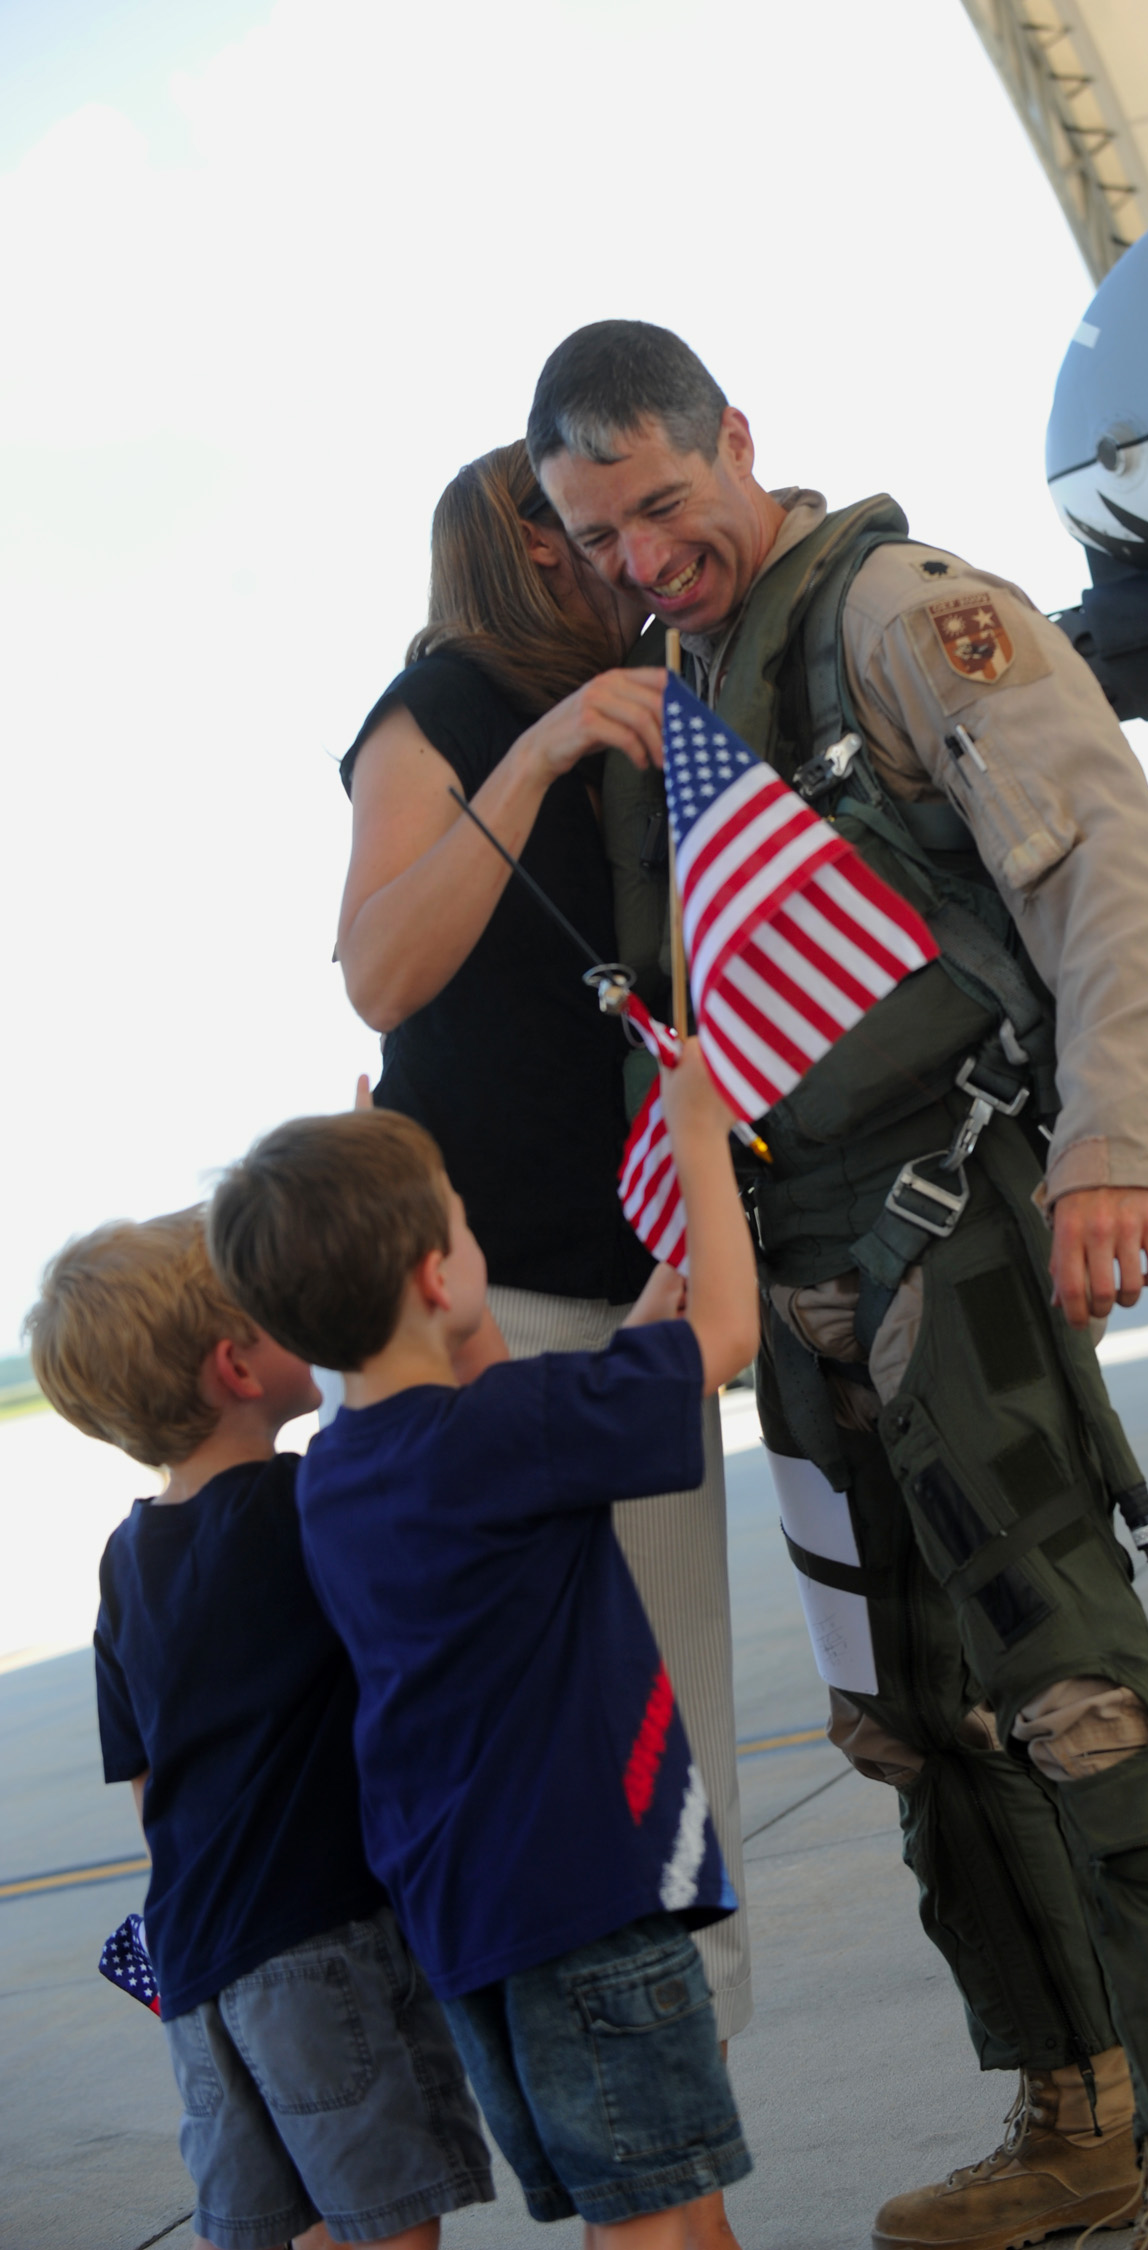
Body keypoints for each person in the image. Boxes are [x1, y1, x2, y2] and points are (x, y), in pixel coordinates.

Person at [528, 321, 1148, 2250]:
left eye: (661, 506)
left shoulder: (897, 614)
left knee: (1074, 1684)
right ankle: (1075, 2105)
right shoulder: (673, 690)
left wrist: (1112, 1146)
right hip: (790, 1266)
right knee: (908, 1712)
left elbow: (1102, 859)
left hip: (954, 1221)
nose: (641, 560)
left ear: (737, 438)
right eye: (598, 538)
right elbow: (688, 1012)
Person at [333, 442, 755, 2105]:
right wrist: (534, 753)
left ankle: (684, 2089)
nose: (619, 555)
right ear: (520, 542)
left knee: (672, 1707)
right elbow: (379, 972)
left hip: (631, 1276)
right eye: (583, 530)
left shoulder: (662, 688)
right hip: (483, 1302)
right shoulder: (436, 708)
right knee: (519, 1719)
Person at [206, 1045, 760, 2250]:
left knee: (649, 2205)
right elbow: (727, 1332)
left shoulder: (339, 1474)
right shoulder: (513, 1431)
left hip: (473, 1923)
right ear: (434, 1272)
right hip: (595, 1898)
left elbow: (489, 1400)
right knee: (656, 2220)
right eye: (461, 1219)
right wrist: (699, 1140)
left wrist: (378, 1166)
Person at [23, 1210, 493, 2250]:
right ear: (237, 1366)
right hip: (322, 1943)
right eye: (278, 1307)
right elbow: (444, 1451)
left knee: (288, 2224)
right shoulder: (306, 1503)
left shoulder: (125, 1561)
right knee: (389, 2227)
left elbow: (148, 1786)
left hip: (195, 1962)